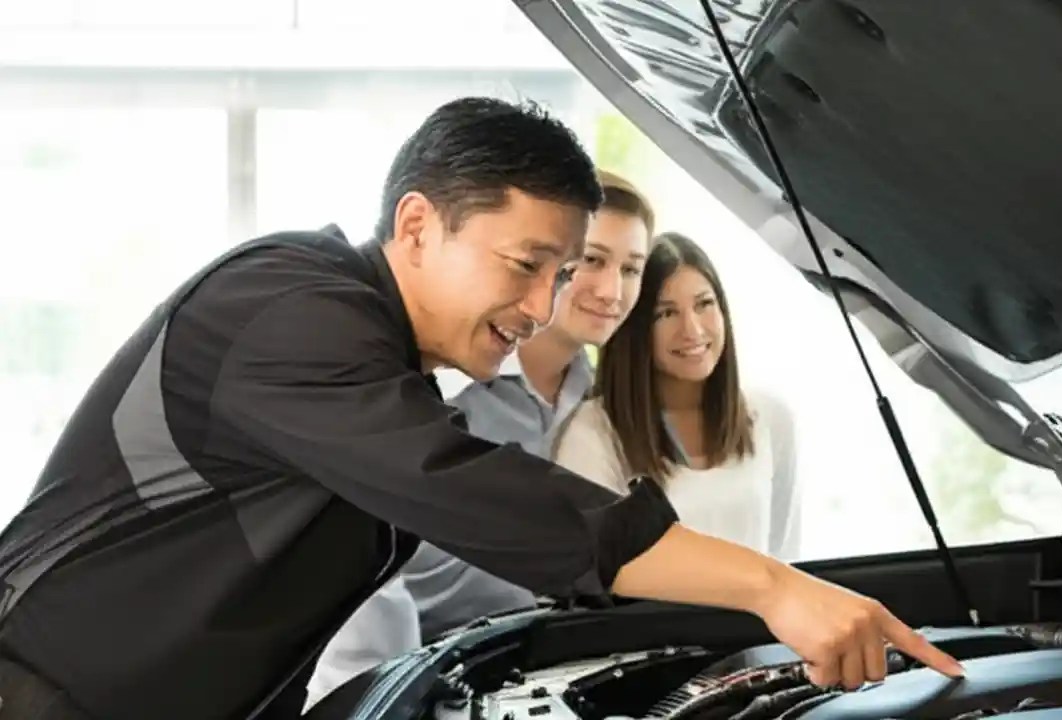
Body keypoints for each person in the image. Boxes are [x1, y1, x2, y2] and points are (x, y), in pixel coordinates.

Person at [0, 97, 962, 720]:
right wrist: (774, 587)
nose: (544, 306)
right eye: (524, 265)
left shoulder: (382, 358)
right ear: (418, 225)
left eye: (564, 271)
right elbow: (491, 501)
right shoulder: (287, 309)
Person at [305, 170, 656, 707]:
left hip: (545, 679)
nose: (612, 291)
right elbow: (364, 587)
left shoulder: (605, 404)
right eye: (591, 262)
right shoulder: (440, 388)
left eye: (631, 269)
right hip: (420, 682)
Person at [552, 232, 799, 559]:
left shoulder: (768, 416)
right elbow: (590, 573)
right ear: (633, 327)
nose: (693, 330)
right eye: (666, 313)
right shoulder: (593, 435)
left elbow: (786, 557)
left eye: (704, 304)